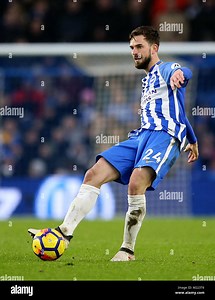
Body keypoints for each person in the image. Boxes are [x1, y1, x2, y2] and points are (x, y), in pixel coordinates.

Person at [28, 26, 199, 261]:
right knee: (93, 173)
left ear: (154, 48)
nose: (134, 52)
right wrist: (193, 139)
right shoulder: (148, 80)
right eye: (132, 48)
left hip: (163, 136)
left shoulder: (166, 69)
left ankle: (127, 250)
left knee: (137, 181)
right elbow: (178, 111)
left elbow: (183, 70)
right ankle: (62, 234)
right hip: (141, 136)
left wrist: (182, 75)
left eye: (139, 46)